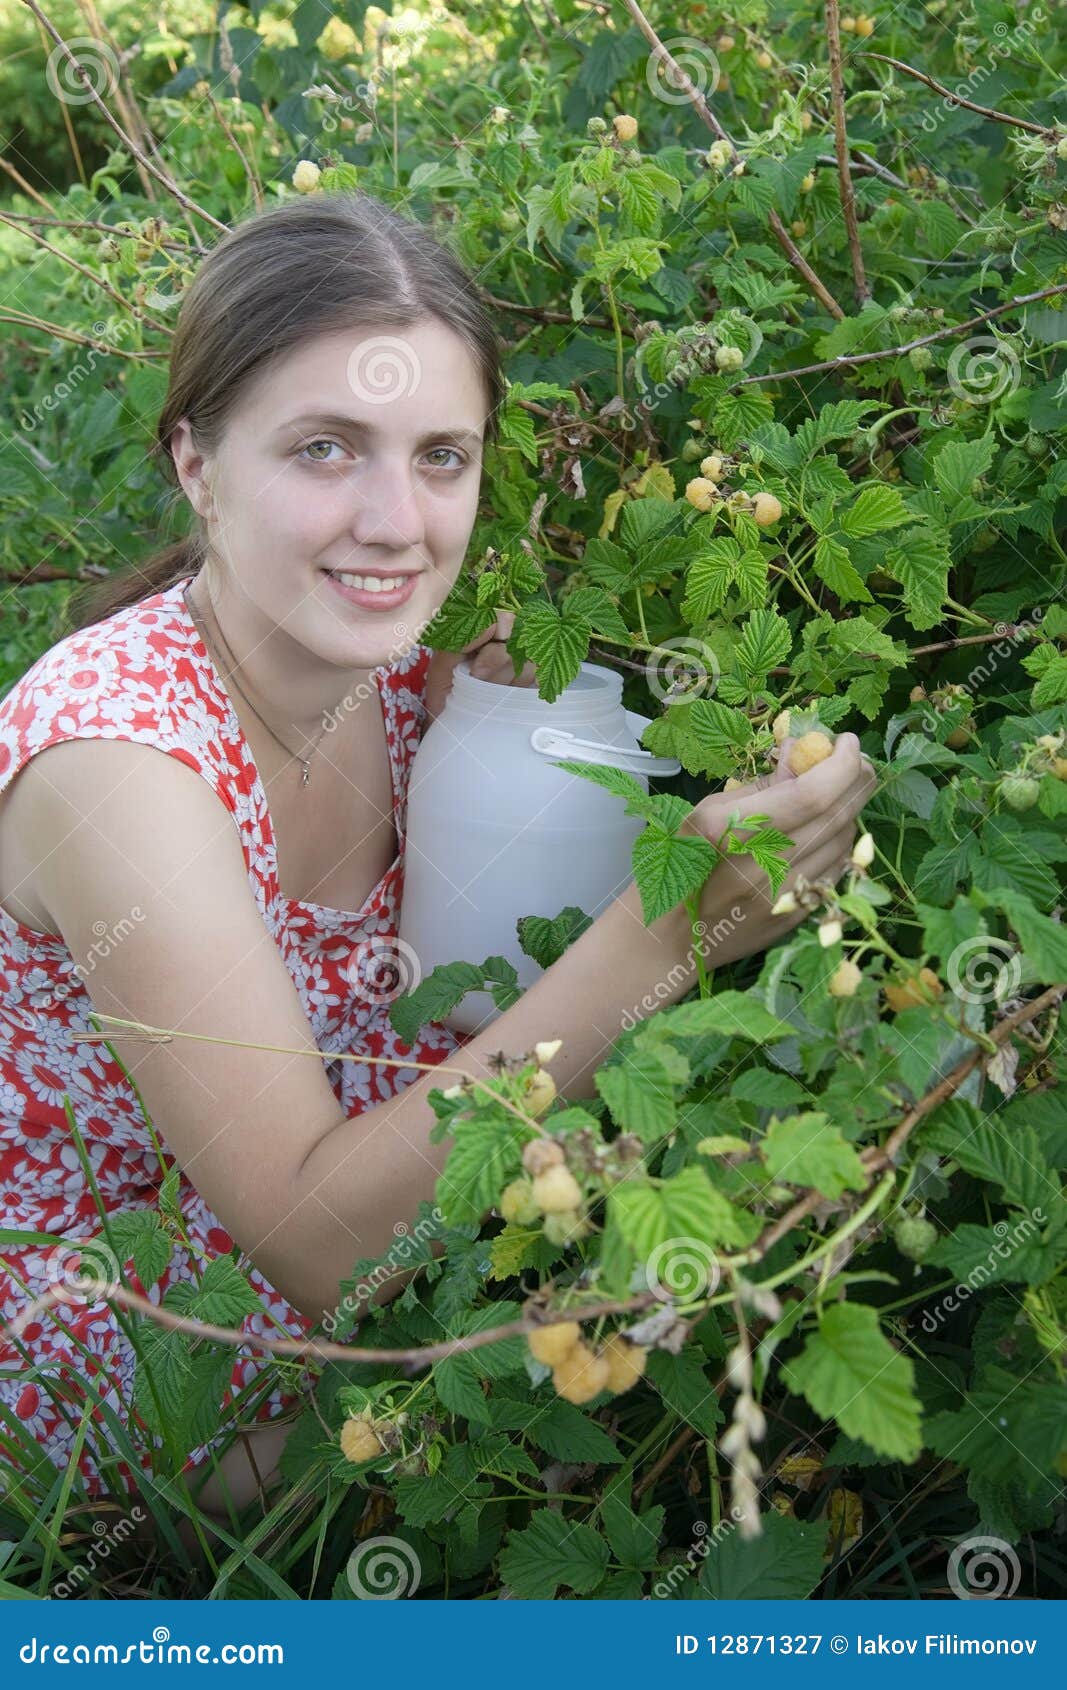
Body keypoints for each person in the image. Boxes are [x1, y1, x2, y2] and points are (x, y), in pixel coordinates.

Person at [0, 191, 876, 1544]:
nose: (397, 522)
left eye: (443, 457)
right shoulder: (121, 766)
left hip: (356, 1206)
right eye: (325, 448)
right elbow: (322, 1242)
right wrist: (670, 937)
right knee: (563, 1390)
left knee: (675, 1284)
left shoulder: (422, 682)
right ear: (195, 459)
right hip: (126, 1308)